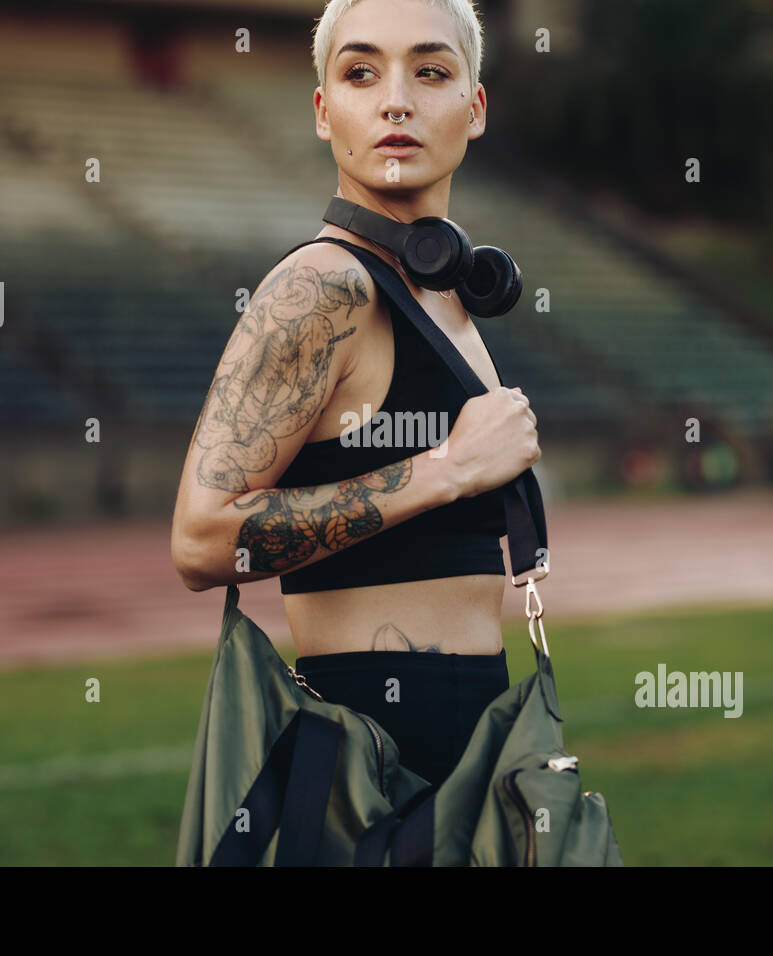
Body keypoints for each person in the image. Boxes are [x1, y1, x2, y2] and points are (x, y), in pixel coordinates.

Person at [170, 0, 539, 787]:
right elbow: (201, 542)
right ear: (322, 109)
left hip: (471, 736)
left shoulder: (443, 291)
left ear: (474, 109)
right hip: (375, 758)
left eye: (430, 71)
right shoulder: (322, 288)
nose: (395, 99)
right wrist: (447, 469)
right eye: (361, 72)